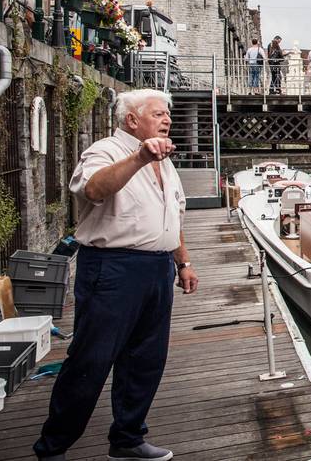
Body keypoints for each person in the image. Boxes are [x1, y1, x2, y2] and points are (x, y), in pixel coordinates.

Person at [33, 89, 197, 461]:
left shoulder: (165, 160)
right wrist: (139, 158)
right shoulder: (105, 150)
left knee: (146, 360)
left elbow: (173, 214)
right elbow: (93, 189)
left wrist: (183, 261)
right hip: (112, 268)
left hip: (157, 269)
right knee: (90, 360)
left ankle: (127, 438)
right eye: (158, 114)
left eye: (167, 113)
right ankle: (53, 447)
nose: (167, 119)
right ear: (131, 120)